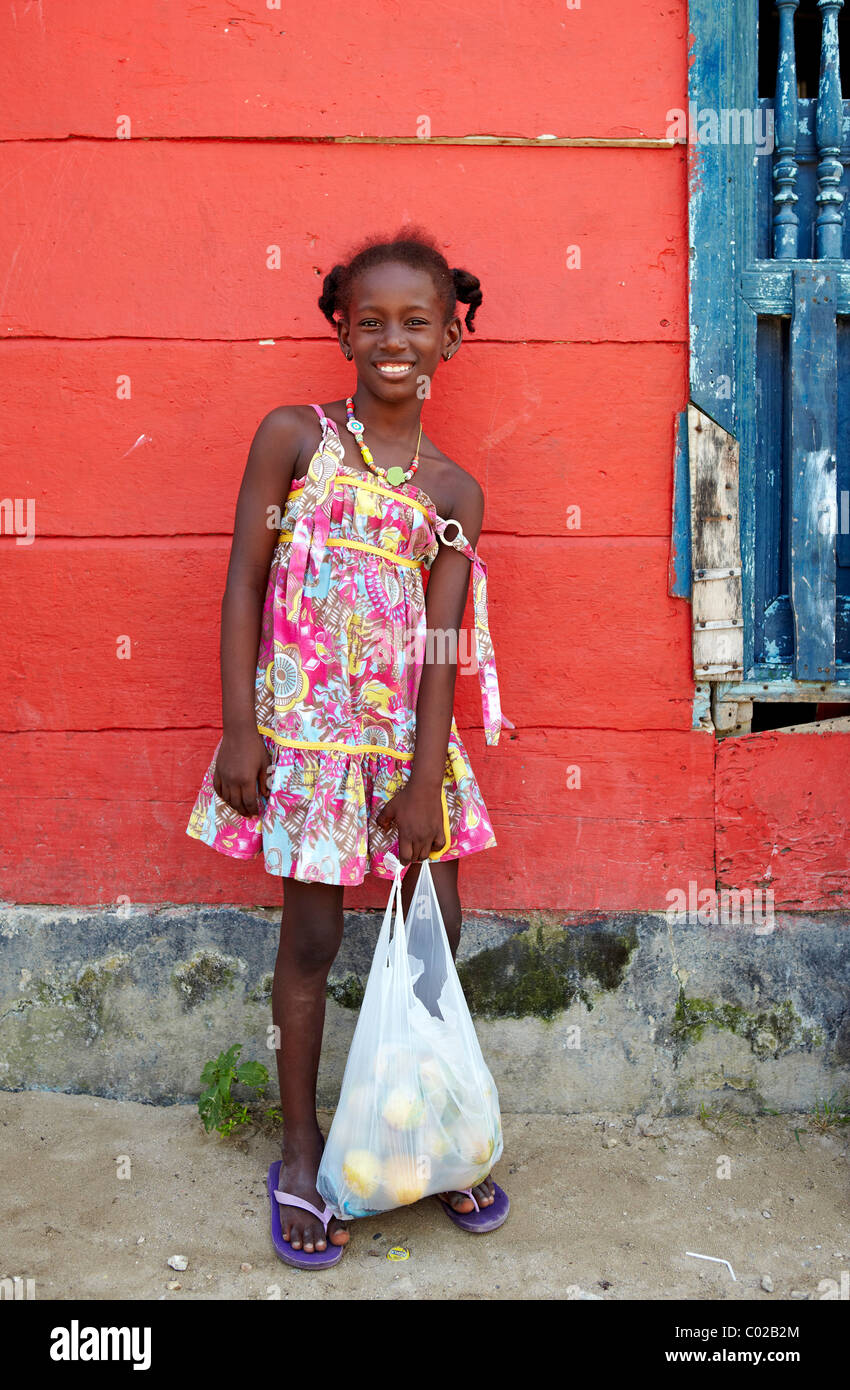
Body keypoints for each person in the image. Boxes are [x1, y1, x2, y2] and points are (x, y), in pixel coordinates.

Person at [187, 226, 510, 1267]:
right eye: (370, 321)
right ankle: (299, 1147)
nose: (393, 340)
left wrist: (425, 780)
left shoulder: (451, 494)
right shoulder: (294, 436)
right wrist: (241, 725)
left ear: (450, 337)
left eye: (416, 322)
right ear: (341, 329)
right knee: (312, 943)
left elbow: (444, 641)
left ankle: (418, 1135)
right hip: (301, 743)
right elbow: (243, 581)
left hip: (400, 752)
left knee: (432, 933)